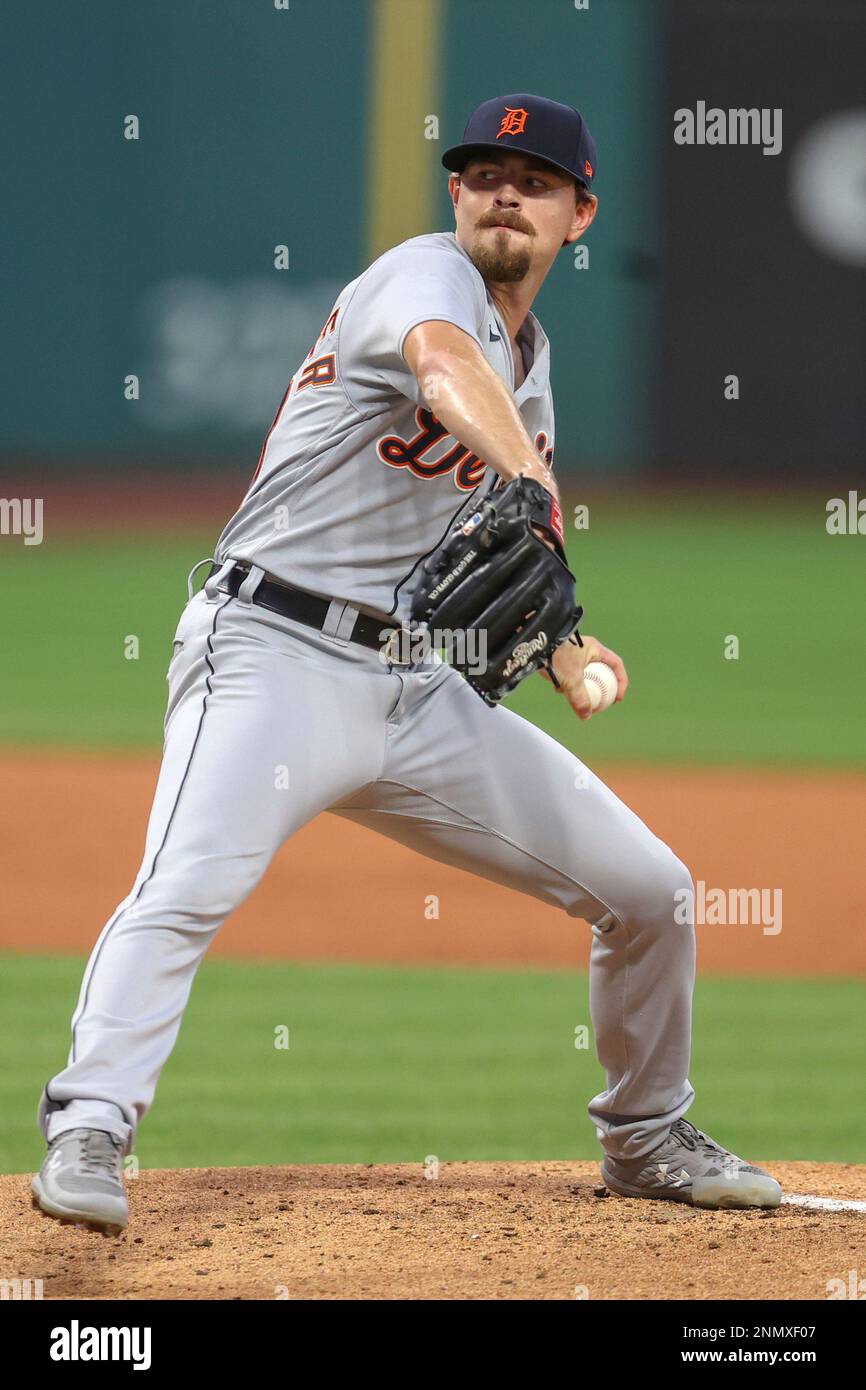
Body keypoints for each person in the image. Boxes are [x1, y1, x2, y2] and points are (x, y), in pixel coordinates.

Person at [32, 93, 781, 1234]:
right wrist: (529, 477)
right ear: (453, 195)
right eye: (481, 173)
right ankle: (90, 1125)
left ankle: (644, 1135)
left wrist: (568, 649)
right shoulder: (422, 282)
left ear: (579, 215)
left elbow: (497, 558)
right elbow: (440, 373)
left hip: (410, 689)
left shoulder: (528, 364)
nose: (501, 194)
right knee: (186, 885)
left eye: (531, 181)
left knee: (651, 891)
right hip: (269, 651)